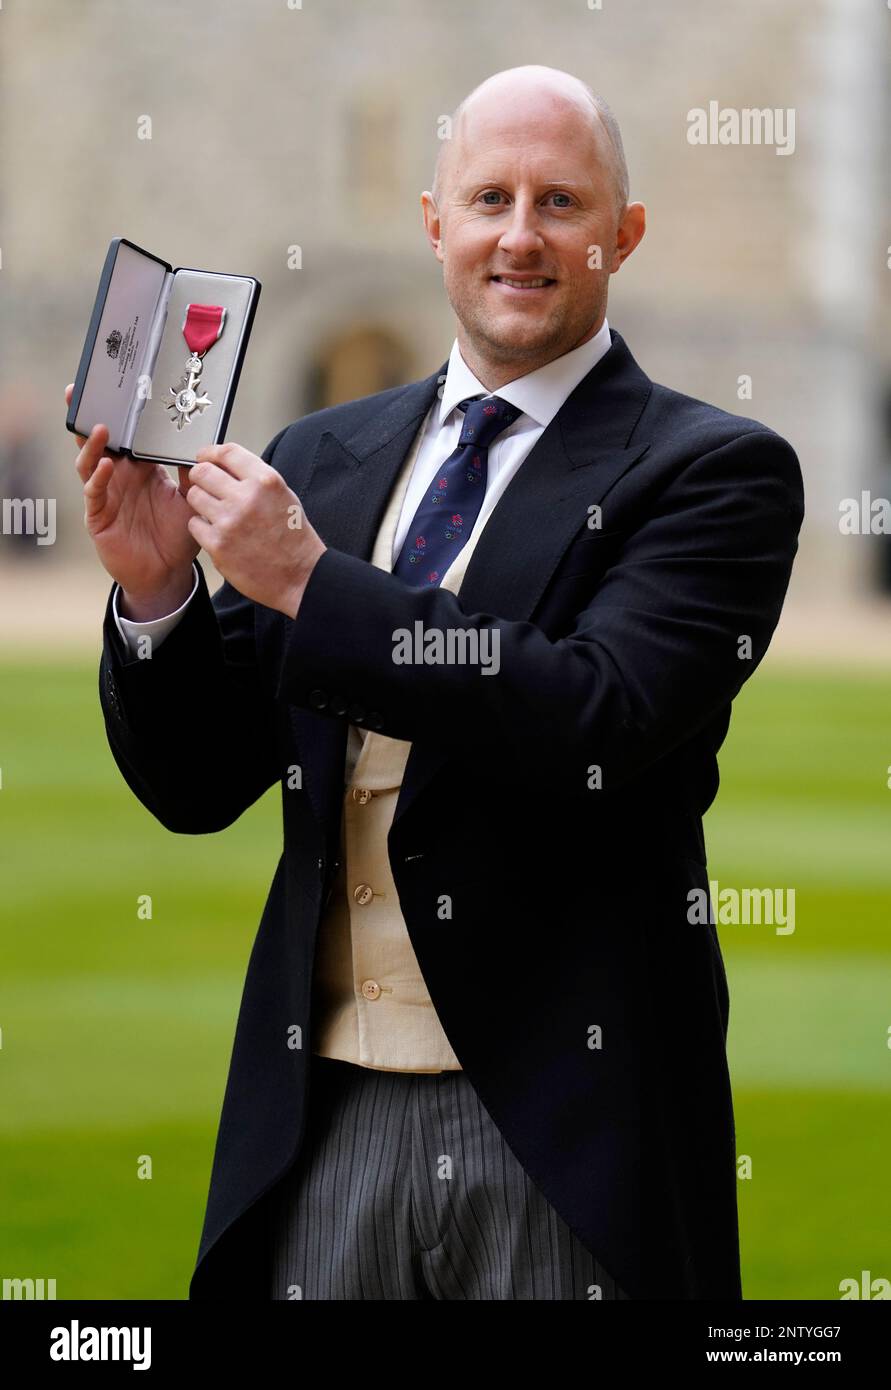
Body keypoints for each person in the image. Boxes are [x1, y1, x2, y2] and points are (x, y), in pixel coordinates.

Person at [67, 64, 804, 1301]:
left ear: (623, 234)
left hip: (565, 1126)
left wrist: (311, 582)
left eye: (562, 202)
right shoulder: (324, 456)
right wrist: (158, 596)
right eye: (490, 198)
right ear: (433, 222)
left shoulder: (716, 469)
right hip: (322, 1120)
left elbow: (597, 714)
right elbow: (198, 784)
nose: (521, 236)